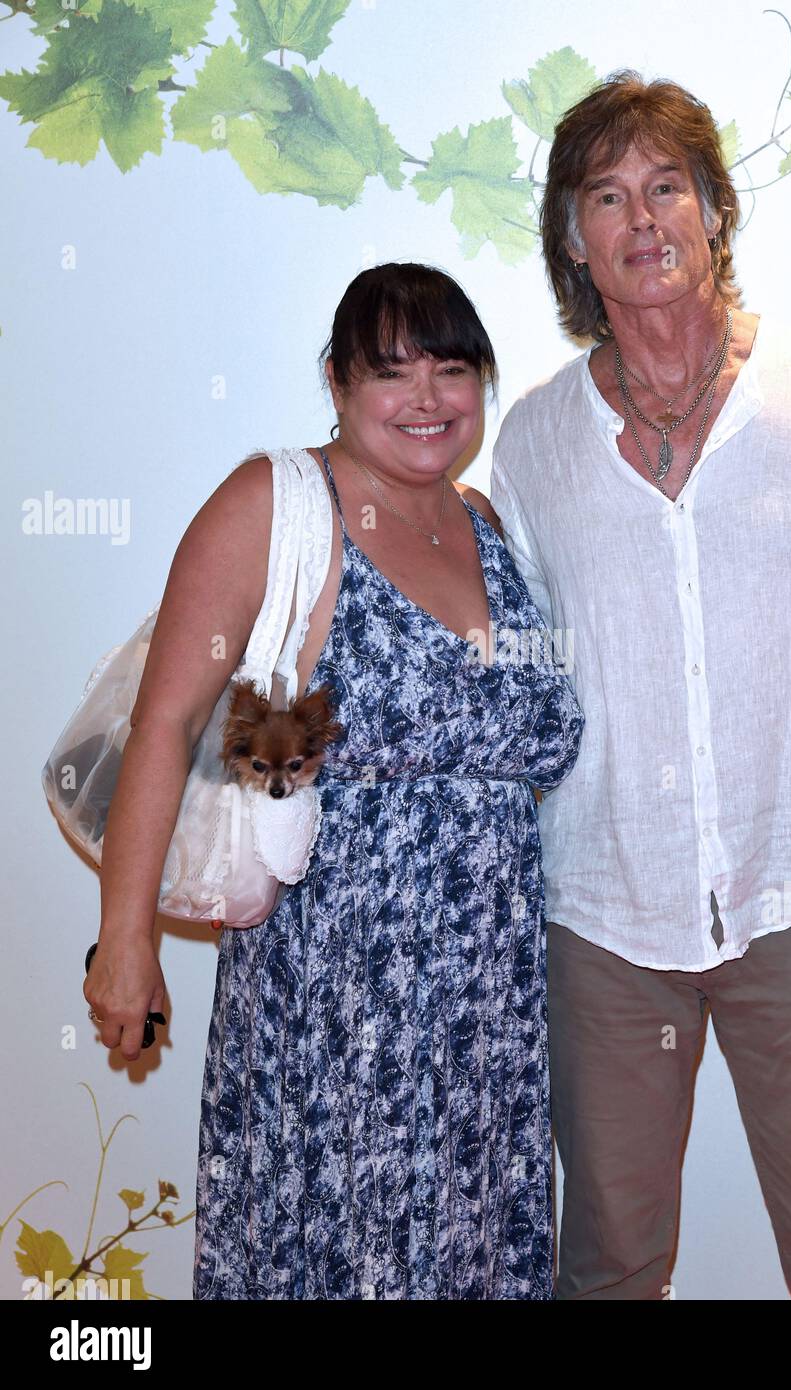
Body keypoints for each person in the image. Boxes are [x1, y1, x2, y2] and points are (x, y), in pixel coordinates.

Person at [489, 71, 791, 1300]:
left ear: (713, 211)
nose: (641, 219)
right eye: (605, 195)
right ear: (572, 240)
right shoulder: (532, 443)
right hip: (601, 916)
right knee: (603, 1271)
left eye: (664, 187)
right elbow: (524, 686)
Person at [83, 262, 585, 1299]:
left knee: (467, 1252)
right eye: (390, 372)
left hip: (485, 1013)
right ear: (336, 382)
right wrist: (125, 943)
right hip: (333, 999)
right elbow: (164, 725)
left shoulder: (486, 526)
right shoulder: (276, 502)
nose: (426, 399)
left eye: (452, 370)